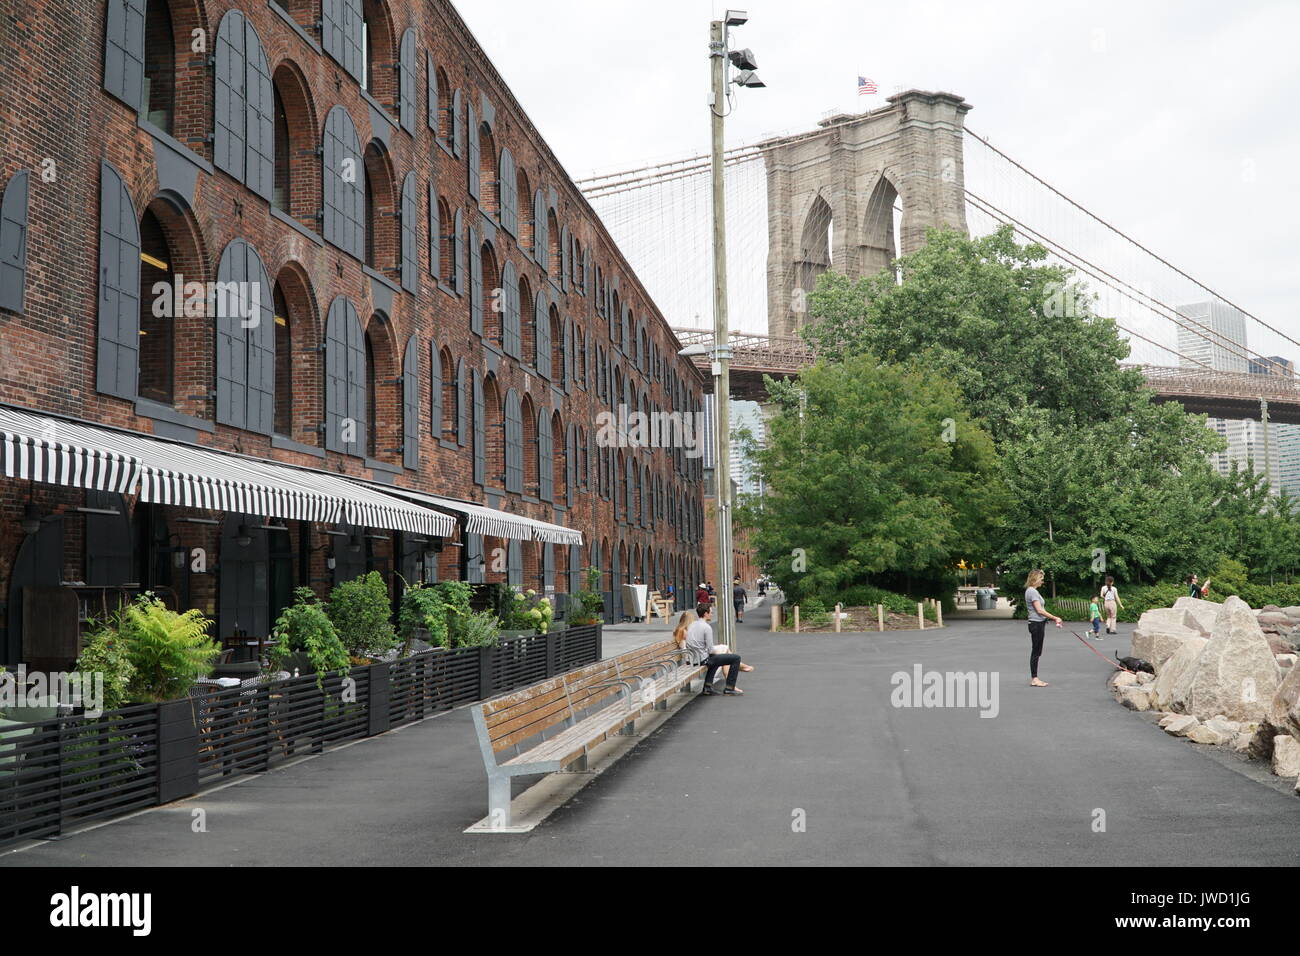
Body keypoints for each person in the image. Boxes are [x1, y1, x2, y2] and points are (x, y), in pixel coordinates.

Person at [684, 603, 745, 695]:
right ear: (705, 613)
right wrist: (721, 650)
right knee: (736, 658)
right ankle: (730, 687)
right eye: (711, 612)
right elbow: (711, 650)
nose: (712, 614)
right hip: (702, 659)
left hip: (693, 658)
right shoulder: (706, 627)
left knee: (717, 659)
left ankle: (707, 687)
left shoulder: (692, 625)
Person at [1025, 569, 1063, 687]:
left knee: (1037, 651)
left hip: (1038, 623)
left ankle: (1035, 677)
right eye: (1041, 579)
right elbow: (1039, 610)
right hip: (1036, 624)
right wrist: (1054, 617)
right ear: (1034, 579)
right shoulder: (1032, 592)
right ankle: (1034, 678)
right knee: (1036, 651)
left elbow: (1042, 610)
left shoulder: (1033, 591)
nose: (1042, 581)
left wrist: (1053, 618)